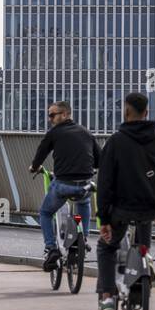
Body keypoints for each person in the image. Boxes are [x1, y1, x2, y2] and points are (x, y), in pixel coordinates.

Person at [91, 93, 155, 310]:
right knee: (143, 243)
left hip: (121, 209)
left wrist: (104, 218)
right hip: (149, 207)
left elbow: (104, 183)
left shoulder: (115, 142)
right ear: (146, 113)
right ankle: (145, 263)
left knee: (106, 247)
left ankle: (107, 299)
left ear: (126, 112)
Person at [29, 100, 101, 271]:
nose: (50, 119)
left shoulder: (54, 133)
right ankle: (83, 238)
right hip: (84, 184)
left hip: (63, 184)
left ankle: (51, 248)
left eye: (53, 115)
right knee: (83, 202)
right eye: (49, 115)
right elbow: (100, 159)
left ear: (66, 114)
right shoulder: (86, 132)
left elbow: (40, 155)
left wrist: (34, 167)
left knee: (46, 213)